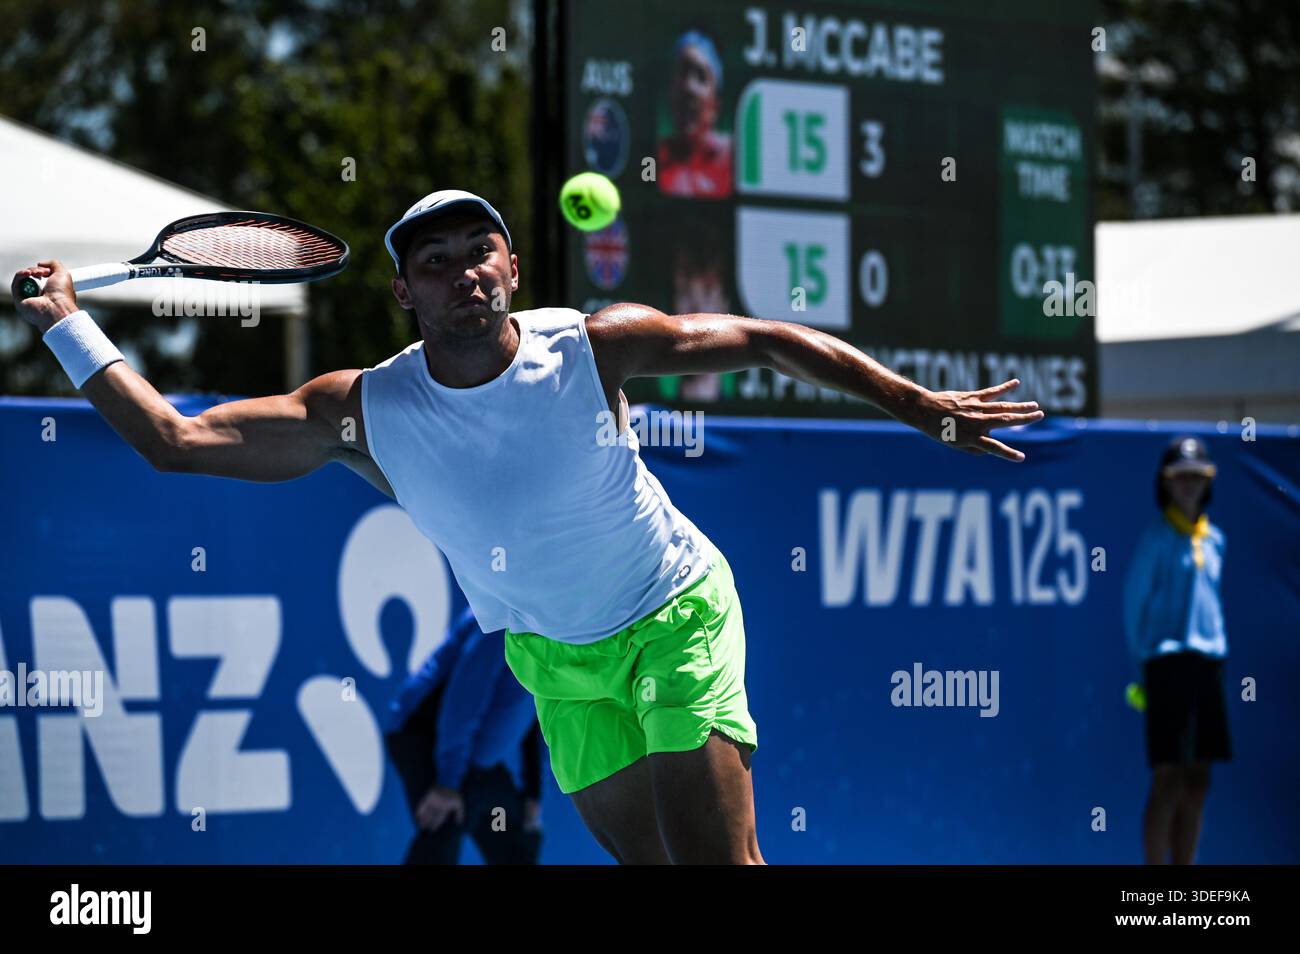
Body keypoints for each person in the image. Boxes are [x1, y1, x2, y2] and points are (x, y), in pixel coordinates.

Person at [13, 188, 1043, 864]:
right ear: (404, 290)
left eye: (480, 250)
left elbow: (770, 340)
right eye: (435, 259)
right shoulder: (361, 410)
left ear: (509, 265)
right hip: (553, 662)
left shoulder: (596, 345)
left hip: (674, 613)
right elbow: (169, 441)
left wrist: (922, 406)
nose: (464, 270)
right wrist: (65, 320)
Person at [1123, 436, 1232, 865]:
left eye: (1196, 477)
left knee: (1199, 778)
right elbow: (1134, 609)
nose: (1188, 485)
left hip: (1209, 668)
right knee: (1167, 777)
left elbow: (1213, 608)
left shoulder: (1216, 540)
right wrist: (1143, 669)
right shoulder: (1156, 540)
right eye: (1180, 477)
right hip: (1166, 668)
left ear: (1207, 483)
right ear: (1166, 484)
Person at [385, 605, 543, 865]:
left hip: (475, 762)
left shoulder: (547, 625)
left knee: (517, 838)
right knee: (444, 823)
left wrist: (533, 792)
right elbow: (463, 701)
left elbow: (536, 704)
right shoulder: (499, 618)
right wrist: (448, 782)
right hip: (423, 736)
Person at [657, 30, 733, 199]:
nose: (689, 88)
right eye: (682, 73)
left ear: (716, 104)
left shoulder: (735, 160)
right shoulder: (651, 160)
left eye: (701, 76)